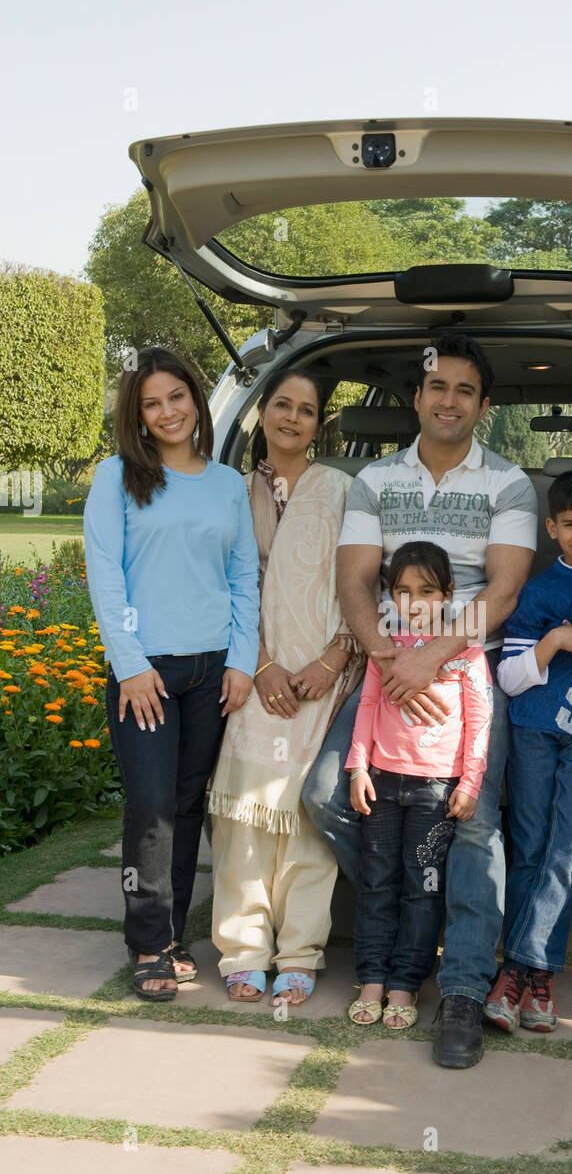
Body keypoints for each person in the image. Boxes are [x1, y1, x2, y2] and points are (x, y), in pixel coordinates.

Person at [302, 332, 537, 1068]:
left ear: (483, 406)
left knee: (472, 822)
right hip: (386, 666)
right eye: (438, 386)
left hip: (468, 672)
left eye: (465, 390)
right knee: (323, 794)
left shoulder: (509, 483)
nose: (449, 400)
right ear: (418, 396)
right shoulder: (374, 480)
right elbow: (355, 580)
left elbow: (501, 590)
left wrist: (431, 659)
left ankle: (462, 986)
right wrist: (388, 658)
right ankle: (417, 897)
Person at [83, 347, 259, 1001]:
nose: (166, 413)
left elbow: (244, 576)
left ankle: (171, 934)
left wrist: (242, 661)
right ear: (138, 414)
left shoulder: (226, 484)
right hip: (146, 674)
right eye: (151, 404)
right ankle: (148, 943)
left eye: (176, 398)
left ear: (194, 399)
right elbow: (105, 572)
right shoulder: (116, 477)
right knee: (152, 810)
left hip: (212, 671)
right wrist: (128, 666)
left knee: (188, 808)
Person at [208, 369, 364, 1005]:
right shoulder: (231, 491)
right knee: (242, 813)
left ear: (319, 423)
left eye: (306, 410)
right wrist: (262, 661)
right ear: (263, 413)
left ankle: (300, 949)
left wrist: (332, 659)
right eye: (281, 405)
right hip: (251, 670)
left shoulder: (345, 491)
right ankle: (243, 947)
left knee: (304, 814)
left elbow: (367, 583)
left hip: (326, 670)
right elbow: (218, 581)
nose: (292, 418)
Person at [486, 469, 572, 1033]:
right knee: (529, 845)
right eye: (571, 524)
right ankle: (533, 974)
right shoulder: (538, 591)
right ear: (551, 527)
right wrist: (552, 642)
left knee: (567, 849)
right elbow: (511, 678)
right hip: (535, 732)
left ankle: (524, 971)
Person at [347, 542, 492, 1030]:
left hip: (435, 788)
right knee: (377, 883)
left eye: (427, 591)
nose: (415, 602)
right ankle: (371, 980)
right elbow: (369, 706)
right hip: (383, 784)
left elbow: (480, 719)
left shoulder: (466, 650)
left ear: (449, 594)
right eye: (403, 591)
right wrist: (358, 768)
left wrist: (469, 783)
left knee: (422, 888)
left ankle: (406, 984)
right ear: (390, 595)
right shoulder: (385, 648)